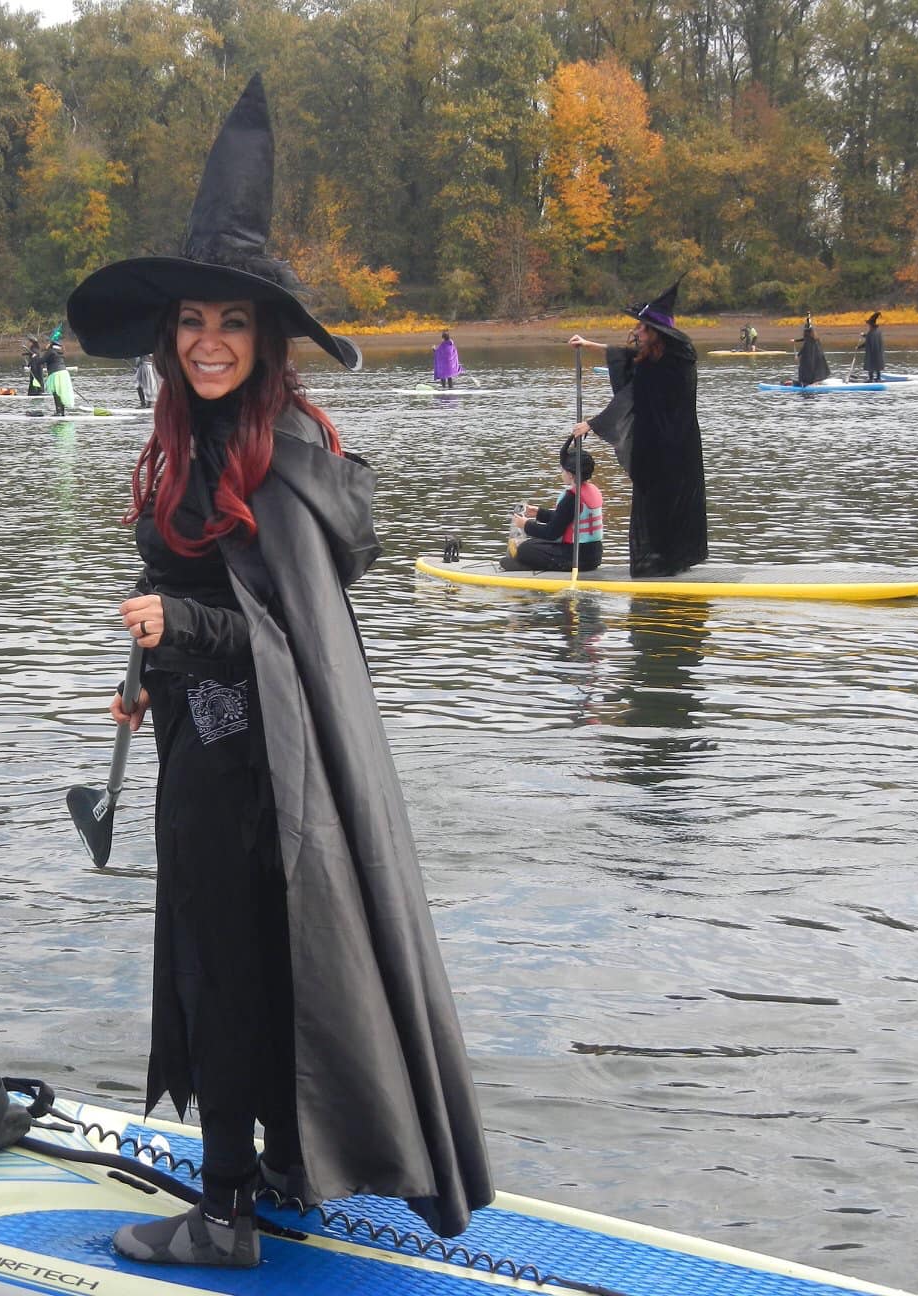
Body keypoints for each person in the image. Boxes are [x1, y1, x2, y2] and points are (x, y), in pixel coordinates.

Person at [65, 72, 492, 1271]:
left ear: (267, 342)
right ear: (172, 337)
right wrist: (148, 673)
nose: (208, 343)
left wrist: (179, 633)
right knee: (239, 973)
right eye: (192, 323)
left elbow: (282, 644)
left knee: (234, 981)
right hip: (209, 755)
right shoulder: (190, 444)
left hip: (264, 783)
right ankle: (275, 1174)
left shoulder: (288, 455)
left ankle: (225, 1217)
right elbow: (214, 601)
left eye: (232, 325)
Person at [569, 277, 708, 577]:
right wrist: (588, 344)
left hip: (676, 445)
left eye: (641, 327)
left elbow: (631, 395)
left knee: (671, 498)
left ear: (655, 333)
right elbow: (626, 359)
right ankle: (663, 559)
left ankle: (669, 561)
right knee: (656, 499)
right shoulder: (651, 360)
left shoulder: (678, 360)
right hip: (658, 445)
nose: (635, 332)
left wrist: (592, 424)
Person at [500, 441, 602, 573]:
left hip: (577, 558)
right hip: (594, 555)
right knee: (535, 542)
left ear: (570, 474)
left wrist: (525, 525)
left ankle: (526, 566)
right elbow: (565, 519)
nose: (561, 473)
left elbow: (551, 533)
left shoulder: (572, 498)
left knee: (526, 548)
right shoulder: (592, 490)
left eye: (562, 470)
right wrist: (539, 513)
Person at [794, 318, 830, 387]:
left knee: (807, 368)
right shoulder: (814, 336)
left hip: (813, 357)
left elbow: (804, 347)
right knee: (815, 368)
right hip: (818, 356)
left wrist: (798, 355)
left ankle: (812, 382)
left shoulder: (810, 338)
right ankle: (815, 381)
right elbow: (804, 340)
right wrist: (795, 340)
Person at [43, 339, 75, 414]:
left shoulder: (50, 352)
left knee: (56, 393)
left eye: (49, 344)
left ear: (51, 345)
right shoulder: (59, 352)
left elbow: (42, 360)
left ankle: (58, 412)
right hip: (64, 374)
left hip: (56, 374)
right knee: (61, 392)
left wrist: (34, 357)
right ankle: (62, 411)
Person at [861, 311, 885, 382]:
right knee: (877, 364)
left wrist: (859, 347)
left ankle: (871, 379)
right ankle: (878, 378)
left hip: (872, 353)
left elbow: (868, 342)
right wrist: (864, 335)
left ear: (871, 325)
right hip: (878, 353)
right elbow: (870, 338)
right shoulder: (878, 332)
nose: (868, 326)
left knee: (870, 364)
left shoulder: (871, 332)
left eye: (868, 324)